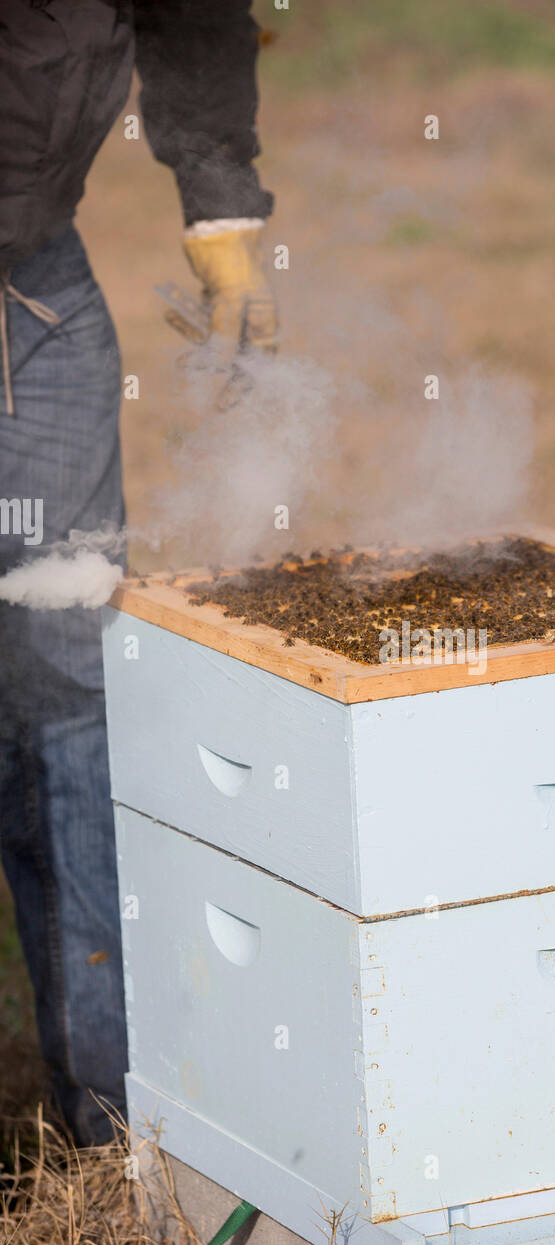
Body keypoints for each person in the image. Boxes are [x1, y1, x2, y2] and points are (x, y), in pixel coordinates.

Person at [0, 0, 277, 1146]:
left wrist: (220, 208)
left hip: (32, 280)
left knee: (66, 682)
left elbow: (195, 7)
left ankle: (111, 1126)